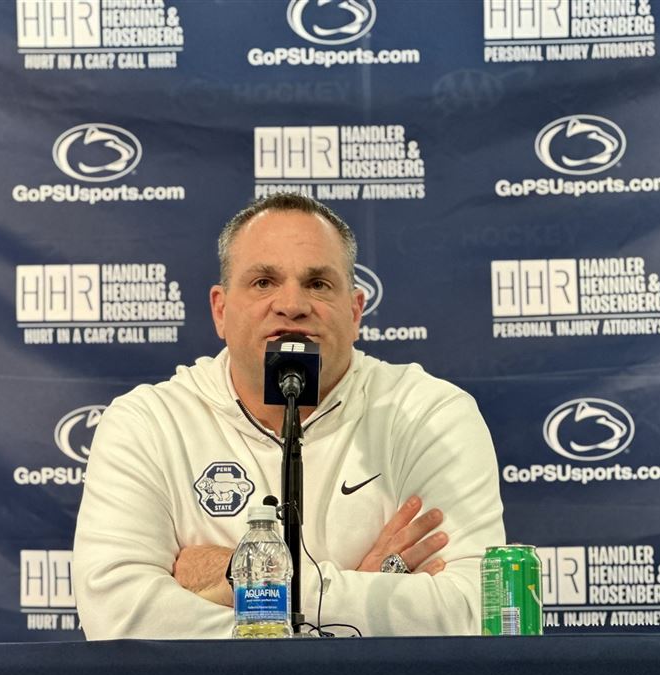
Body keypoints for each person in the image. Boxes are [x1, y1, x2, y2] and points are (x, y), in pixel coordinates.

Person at [72, 193, 506, 638]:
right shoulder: (147, 423)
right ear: (221, 310)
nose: (292, 303)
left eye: (318, 283)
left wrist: (239, 576)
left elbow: (477, 613)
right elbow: (118, 620)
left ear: (355, 312)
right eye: (263, 282)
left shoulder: (428, 414)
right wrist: (365, 595)